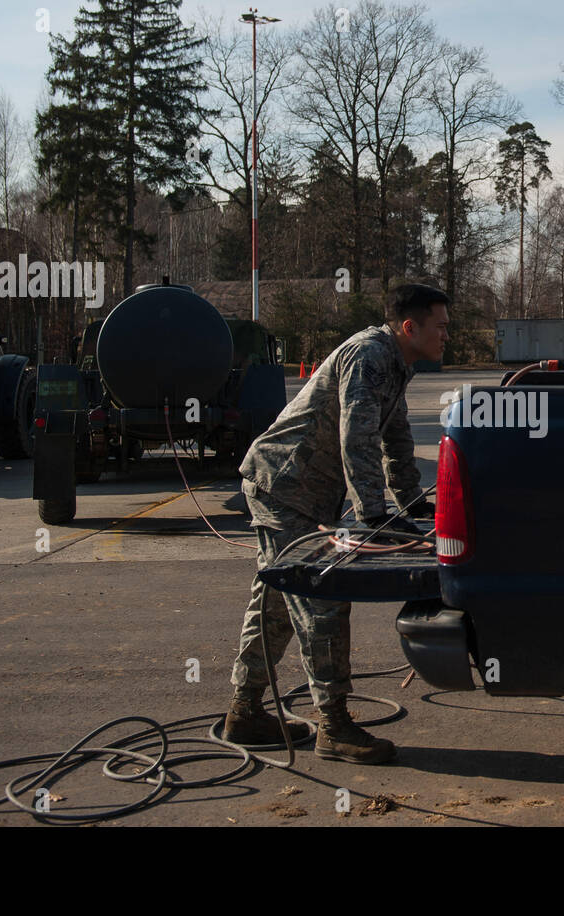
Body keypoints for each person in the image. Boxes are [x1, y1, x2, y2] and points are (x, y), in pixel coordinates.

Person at [223, 283, 450, 764]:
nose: (447, 335)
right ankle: (334, 726)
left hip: (303, 494)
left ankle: (244, 710)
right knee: (321, 600)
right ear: (410, 327)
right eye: (441, 326)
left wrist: (412, 507)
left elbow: (397, 439)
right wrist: (373, 515)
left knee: (277, 606)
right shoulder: (368, 355)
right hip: (284, 487)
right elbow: (357, 437)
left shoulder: (395, 363)